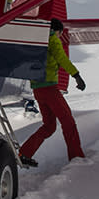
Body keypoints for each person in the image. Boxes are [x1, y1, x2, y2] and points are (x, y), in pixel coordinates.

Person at [18, 19, 86, 166]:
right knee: (68, 122)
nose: (60, 37)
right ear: (57, 30)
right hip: (49, 88)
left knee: (49, 126)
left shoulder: (37, 40)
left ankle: (24, 152)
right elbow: (62, 58)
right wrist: (77, 76)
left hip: (37, 89)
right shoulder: (52, 39)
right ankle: (77, 157)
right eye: (60, 33)